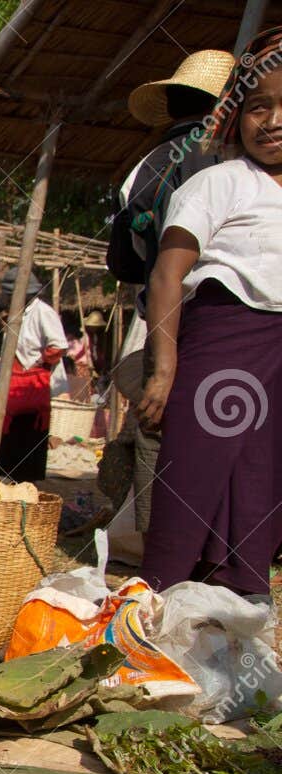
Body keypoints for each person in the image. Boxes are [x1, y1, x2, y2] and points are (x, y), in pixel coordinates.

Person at [138, 29, 282, 598]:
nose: (270, 121)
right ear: (236, 115)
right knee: (194, 468)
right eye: (258, 107)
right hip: (223, 334)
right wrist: (164, 364)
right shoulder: (216, 183)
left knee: (260, 475)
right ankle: (155, 599)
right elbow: (167, 273)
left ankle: (241, 596)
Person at [107, 48, 233, 534]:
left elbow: (122, 262)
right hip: (225, 319)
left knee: (159, 432)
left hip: (158, 315)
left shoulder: (146, 165)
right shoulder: (234, 163)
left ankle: (160, 540)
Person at [0, 276, 66, 482]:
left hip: (31, 383)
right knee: (12, 435)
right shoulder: (19, 314)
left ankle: (26, 480)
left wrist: (36, 364)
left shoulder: (42, 312)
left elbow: (58, 345)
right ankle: (11, 477)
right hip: (15, 381)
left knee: (28, 433)